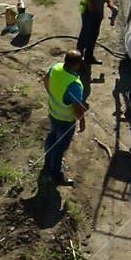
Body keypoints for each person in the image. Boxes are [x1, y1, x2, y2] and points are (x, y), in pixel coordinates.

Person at [42, 51, 87, 185]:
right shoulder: (74, 84)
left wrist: (52, 94)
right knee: (60, 147)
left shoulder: (56, 67)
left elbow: (45, 79)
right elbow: (78, 108)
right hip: (65, 120)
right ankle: (56, 175)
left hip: (53, 113)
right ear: (77, 64)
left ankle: (47, 161)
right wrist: (82, 121)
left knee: (52, 135)